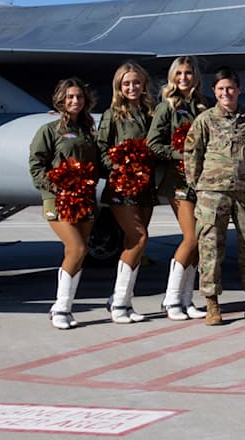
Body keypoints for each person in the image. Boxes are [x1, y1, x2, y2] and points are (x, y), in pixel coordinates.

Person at [185, 67, 245, 325]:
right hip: (213, 192)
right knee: (210, 248)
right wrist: (199, 187)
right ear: (214, 92)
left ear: (238, 90)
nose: (226, 93)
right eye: (220, 89)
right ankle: (212, 303)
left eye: (230, 88)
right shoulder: (205, 120)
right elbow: (192, 154)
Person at [29, 78, 99, 329]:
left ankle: (64, 307)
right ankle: (60, 307)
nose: (74, 101)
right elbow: (36, 165)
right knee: (77, 248)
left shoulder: (89, 130)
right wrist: (56, 187)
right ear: (61, 99)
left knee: (76, 254)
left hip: (84, 198)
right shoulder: (49, 130)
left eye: (79, 97)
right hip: (57, 199)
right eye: (70, 97)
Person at [149, 56, 210, 321]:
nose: (184, 78)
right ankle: (171, 297)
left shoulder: (202, 105)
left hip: (202, 182)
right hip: (179, 181)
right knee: (191, 238)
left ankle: (187, 300)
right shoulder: (167, 108)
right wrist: (182, 155)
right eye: (179, 73)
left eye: (188, 73)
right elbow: (153, 143)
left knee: (200, 240)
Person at [96, 62, 158, 324]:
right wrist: (119, 167)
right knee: (139, 238)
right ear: (119, 87)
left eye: (136, 82)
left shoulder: (150, 112)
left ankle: (120, 300)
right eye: (126, 83)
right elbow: (101, 149)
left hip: (145, 185)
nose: (132, 87)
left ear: (143, 84)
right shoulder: (113, 115)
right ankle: (120, 302)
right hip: (122, 185)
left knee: (134, 242)